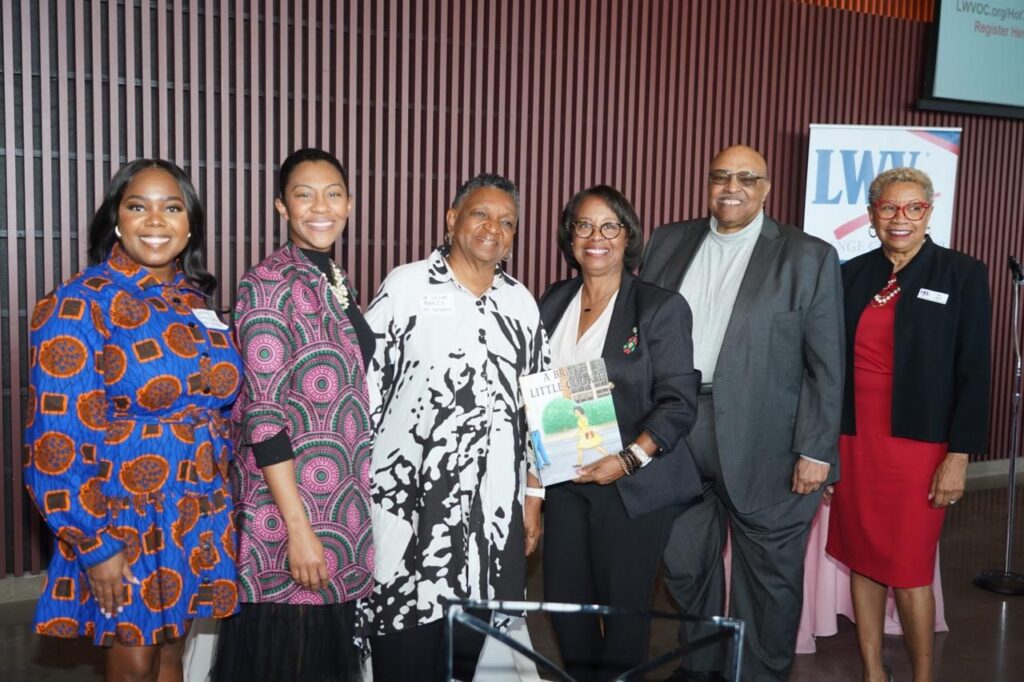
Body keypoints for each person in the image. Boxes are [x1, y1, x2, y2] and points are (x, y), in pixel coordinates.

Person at [23, 159, 241, 681]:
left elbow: (220, 408)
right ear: (117, 220)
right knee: (134, 660)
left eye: (172, 208)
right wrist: (94, 544)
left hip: (195, 510)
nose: (155, 221)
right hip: (124, 516)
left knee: (172, 654)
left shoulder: (196, 305)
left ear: (190, 226)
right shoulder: (79, 303)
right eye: (137, 207)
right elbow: (55, 441)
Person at [640, 145, 845, 681]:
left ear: (767, 188)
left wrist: (817, 450)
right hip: (674, 430)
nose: (732, 186)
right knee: (685, 567)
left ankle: (758, 675)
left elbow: (827, 363)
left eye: (747, 178)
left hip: (769, 443)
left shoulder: (809, 256)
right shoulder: (667, 241)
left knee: (768, 579)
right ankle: (702, 669)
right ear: (707, 183)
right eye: (721, 176)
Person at [364, 173, 547, 681]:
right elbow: (367, 392)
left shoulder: (521, 302)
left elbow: (542, 404)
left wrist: (534, 496)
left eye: (507, 222)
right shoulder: (407, 286)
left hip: (491, 516)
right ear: (452, 219)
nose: (494, 228)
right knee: (403, 650)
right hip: (410, 511)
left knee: (464, 656)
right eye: (481, 214)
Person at [212, 148, 375, 681]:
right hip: (290, 515)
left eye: (332, 193)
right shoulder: (267, 283)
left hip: (340, 508)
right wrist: (298, 530)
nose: (320, 207)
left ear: (349, 203)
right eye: (304, 195)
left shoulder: (334, 277)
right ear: (282, 206)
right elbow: (264, 416)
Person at [826, 167, 990, 682]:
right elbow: (828, 367)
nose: (901, 218)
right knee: (862, 557)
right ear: (872, 215)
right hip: (854, 441)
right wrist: (822, 451)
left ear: (929, 212)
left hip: (920, 447)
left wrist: (959, 456)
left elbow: (973, 371)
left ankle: (922, 677)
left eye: (913, 207)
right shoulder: (849, 276)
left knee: (910, 567)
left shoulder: (961, 274)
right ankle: (874, 672)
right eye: (889, 208)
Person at [539, 185, 702, 680]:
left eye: (610, 226)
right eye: (584, 226)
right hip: (566, 479)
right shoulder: (554, 299)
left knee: (624, 614)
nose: (596, 237)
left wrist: (629, 458)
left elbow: (679, 402)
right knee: (565, 604)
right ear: (570, 237)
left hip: (630, 483)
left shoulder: (659, 306)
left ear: (628, 236)